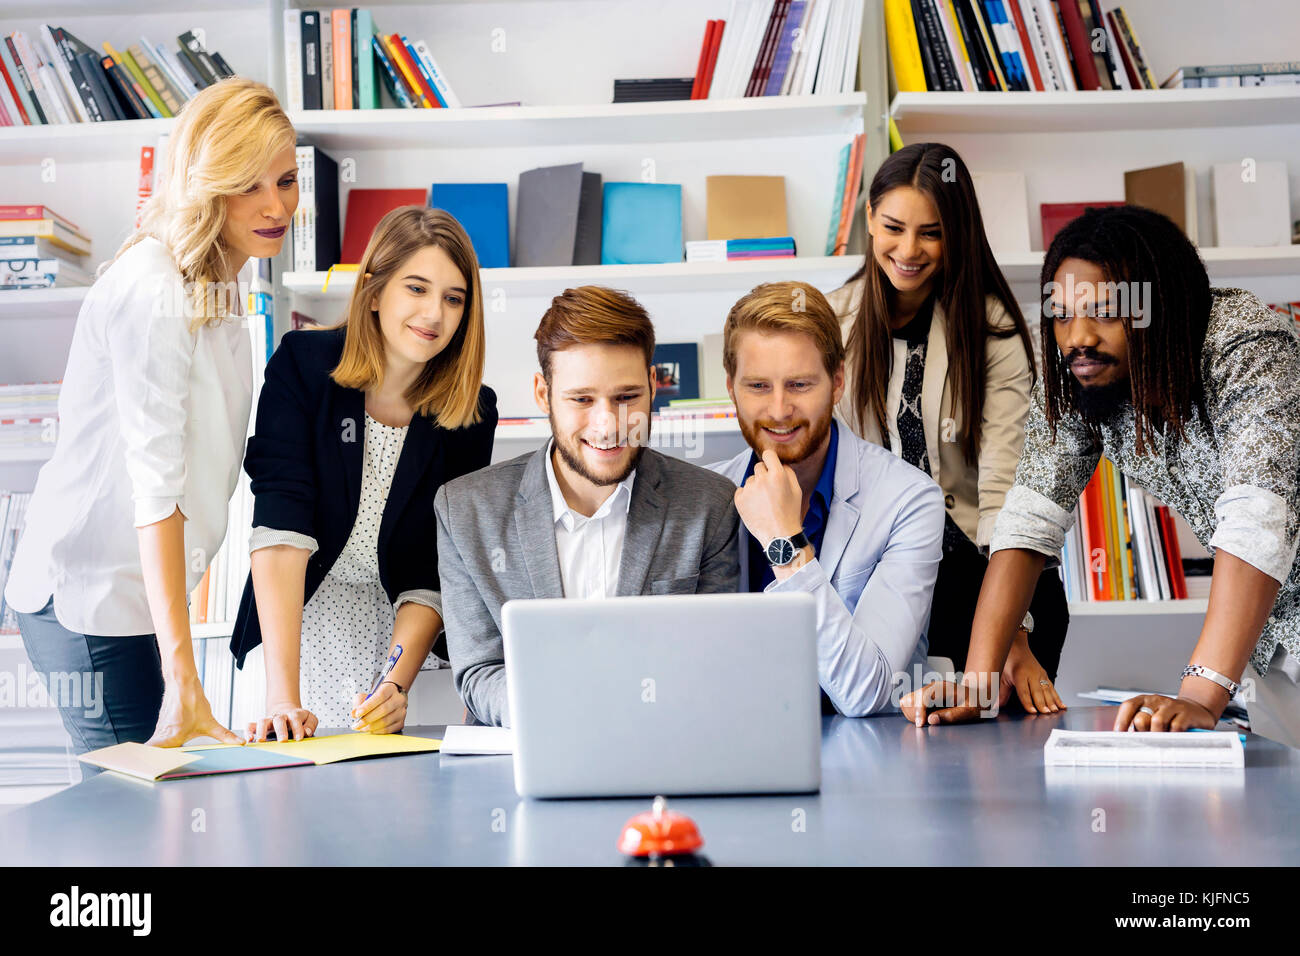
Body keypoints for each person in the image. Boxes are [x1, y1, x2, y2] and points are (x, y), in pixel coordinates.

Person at [903, 204, 1300, 748]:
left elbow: (1258, 518)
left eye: (1105, 312)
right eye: (1062, 315)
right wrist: (978, 681)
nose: (1077, 337)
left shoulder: (1248, 346)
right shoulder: (1083, 376)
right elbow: (1028, 519)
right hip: (1273, 653)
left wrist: (1200, 695)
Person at [4, 79, 297, 754]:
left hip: (131, 593)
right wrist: (183, 676)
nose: (275, 205)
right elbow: (156, 491)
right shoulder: (153, 288)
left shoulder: (225, 280)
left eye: (284, 181)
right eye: (248, 184)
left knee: (150, 813)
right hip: (88, 596)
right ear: (206, 180)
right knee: (133, 814)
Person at [233, 207, 496, 741]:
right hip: (294, 625)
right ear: (374, 291)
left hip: (398, 636)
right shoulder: (305, 366)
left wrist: (395, 686)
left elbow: (435, 567)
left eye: (453, 298)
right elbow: (282, 529)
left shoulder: (472, 411)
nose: (435, 314)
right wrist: (282, 695)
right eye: (417, 289)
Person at [827, 142, 1069, 716]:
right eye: (893, 227)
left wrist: (1013, 635)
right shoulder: (830, 322)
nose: (908, 251)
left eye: (930, 233)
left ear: (956, 232)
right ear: (869, 218)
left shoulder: (993, 329)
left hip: (986, 584)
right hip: (878, 581)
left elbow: (1003, 491)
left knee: (989, 775)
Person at [436, 285, 740, 727]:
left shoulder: (711, 505)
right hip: (528, 756)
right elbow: (479, 672)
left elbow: (712, 664)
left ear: (653, 387)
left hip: (663, 753)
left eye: (626, 397)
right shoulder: (466, 511)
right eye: (582, 399)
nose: (607, 424)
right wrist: (558, 713)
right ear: (543, 394)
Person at [708, 282, 945, 715]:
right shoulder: (703, 496)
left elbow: (866, 692)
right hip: (735, 754)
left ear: (837, 383)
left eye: (799, 384)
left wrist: (785, 542)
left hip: (869, 762)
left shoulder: (910, 500)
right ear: (731, 387)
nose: (779, 410)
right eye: (758, 386)